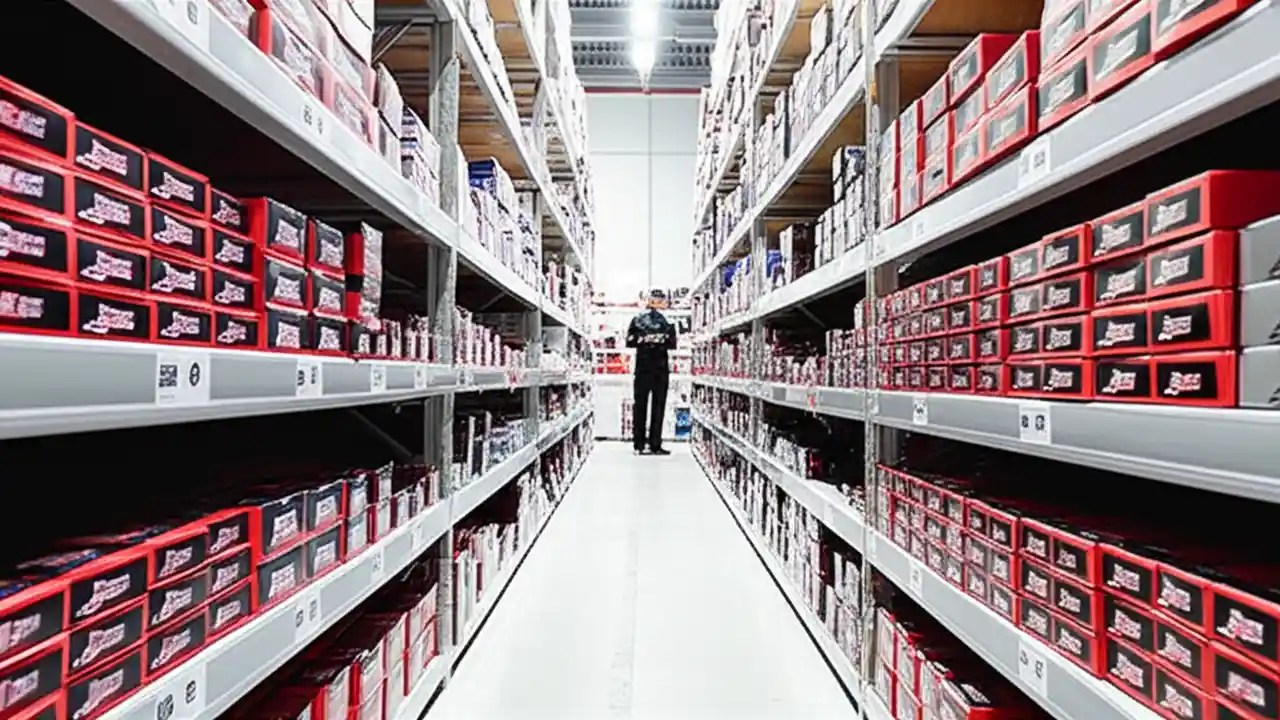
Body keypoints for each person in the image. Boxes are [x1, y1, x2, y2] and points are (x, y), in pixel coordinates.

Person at [626, 289, 678, 455]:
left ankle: (643, 444)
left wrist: (646, 340)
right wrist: (654, 340)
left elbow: (630, 341)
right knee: (651, 405)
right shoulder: (661, 322)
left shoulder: (664, 322)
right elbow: (671, 344)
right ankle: (648, 444)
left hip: (647, 367)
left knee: (648, 405)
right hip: (656, 368)